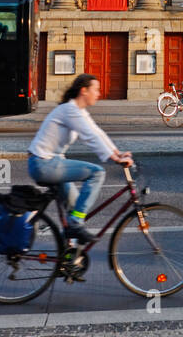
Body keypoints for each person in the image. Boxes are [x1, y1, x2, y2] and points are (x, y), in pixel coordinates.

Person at [27, 74, 132, 242]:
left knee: (75, 207)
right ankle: (75, 224)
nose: (99, 93)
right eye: (95, 89)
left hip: (51, 163)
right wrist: (113, 158)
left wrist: (117, 152)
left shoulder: (78, 111)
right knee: (97, 173)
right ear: (84, 91)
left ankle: (68, 254)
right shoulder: (70, 110)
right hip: (43, 163)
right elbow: (90, 136)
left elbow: (97, 132)